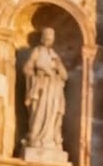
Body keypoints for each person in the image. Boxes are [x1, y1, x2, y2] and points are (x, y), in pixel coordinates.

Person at [22, 26, 68, 154]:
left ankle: (50, 139)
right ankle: (35, 138)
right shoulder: (37, 52)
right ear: (42, 38)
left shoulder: (55, 56)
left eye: (51, 37)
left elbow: (65, 75)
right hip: (40, 87)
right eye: (47, 36)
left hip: (54, 89)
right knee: (39, 113)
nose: (49, 39)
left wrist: (58, 68)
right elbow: (27, 68)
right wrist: (37, 75)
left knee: (53, 115)